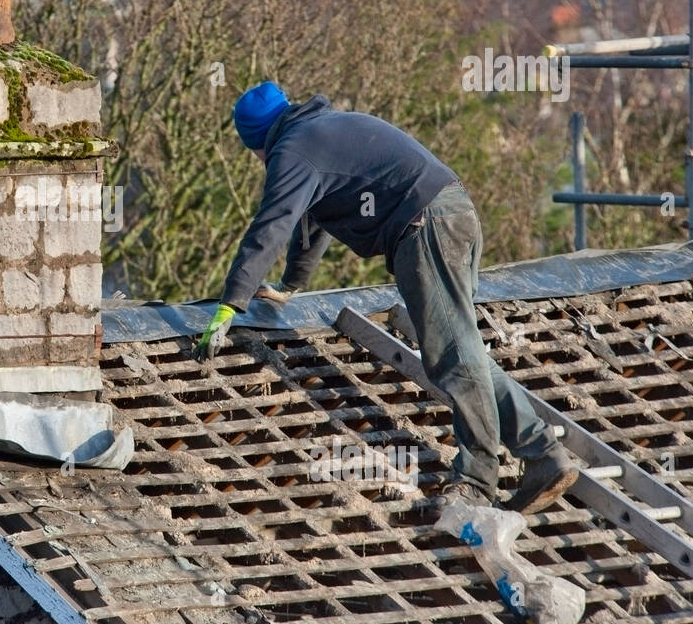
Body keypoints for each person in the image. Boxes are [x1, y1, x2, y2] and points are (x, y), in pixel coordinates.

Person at [195, 81, 577, 516]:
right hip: (452, 214)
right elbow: (310, 221)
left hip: (426, 227)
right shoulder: (318, 133)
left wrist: (232, 300)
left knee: (455, 358)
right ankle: (543, 455)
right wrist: (290, 285)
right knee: (465, 352)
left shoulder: (292, 150)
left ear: (257, 141)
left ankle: (476, 480)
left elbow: (272, 225)